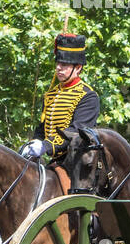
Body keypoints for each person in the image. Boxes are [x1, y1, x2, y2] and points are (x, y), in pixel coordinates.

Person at [19, 33, 100, 162]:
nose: (58, 68)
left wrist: (46, 146)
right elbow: (42, 128)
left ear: (78, 68)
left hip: (78, 162)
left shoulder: (88, 96)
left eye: (64, 65)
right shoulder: (51, 94)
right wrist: (34, 143)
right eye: (57, 63)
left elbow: (77, 131)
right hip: (55, 161)